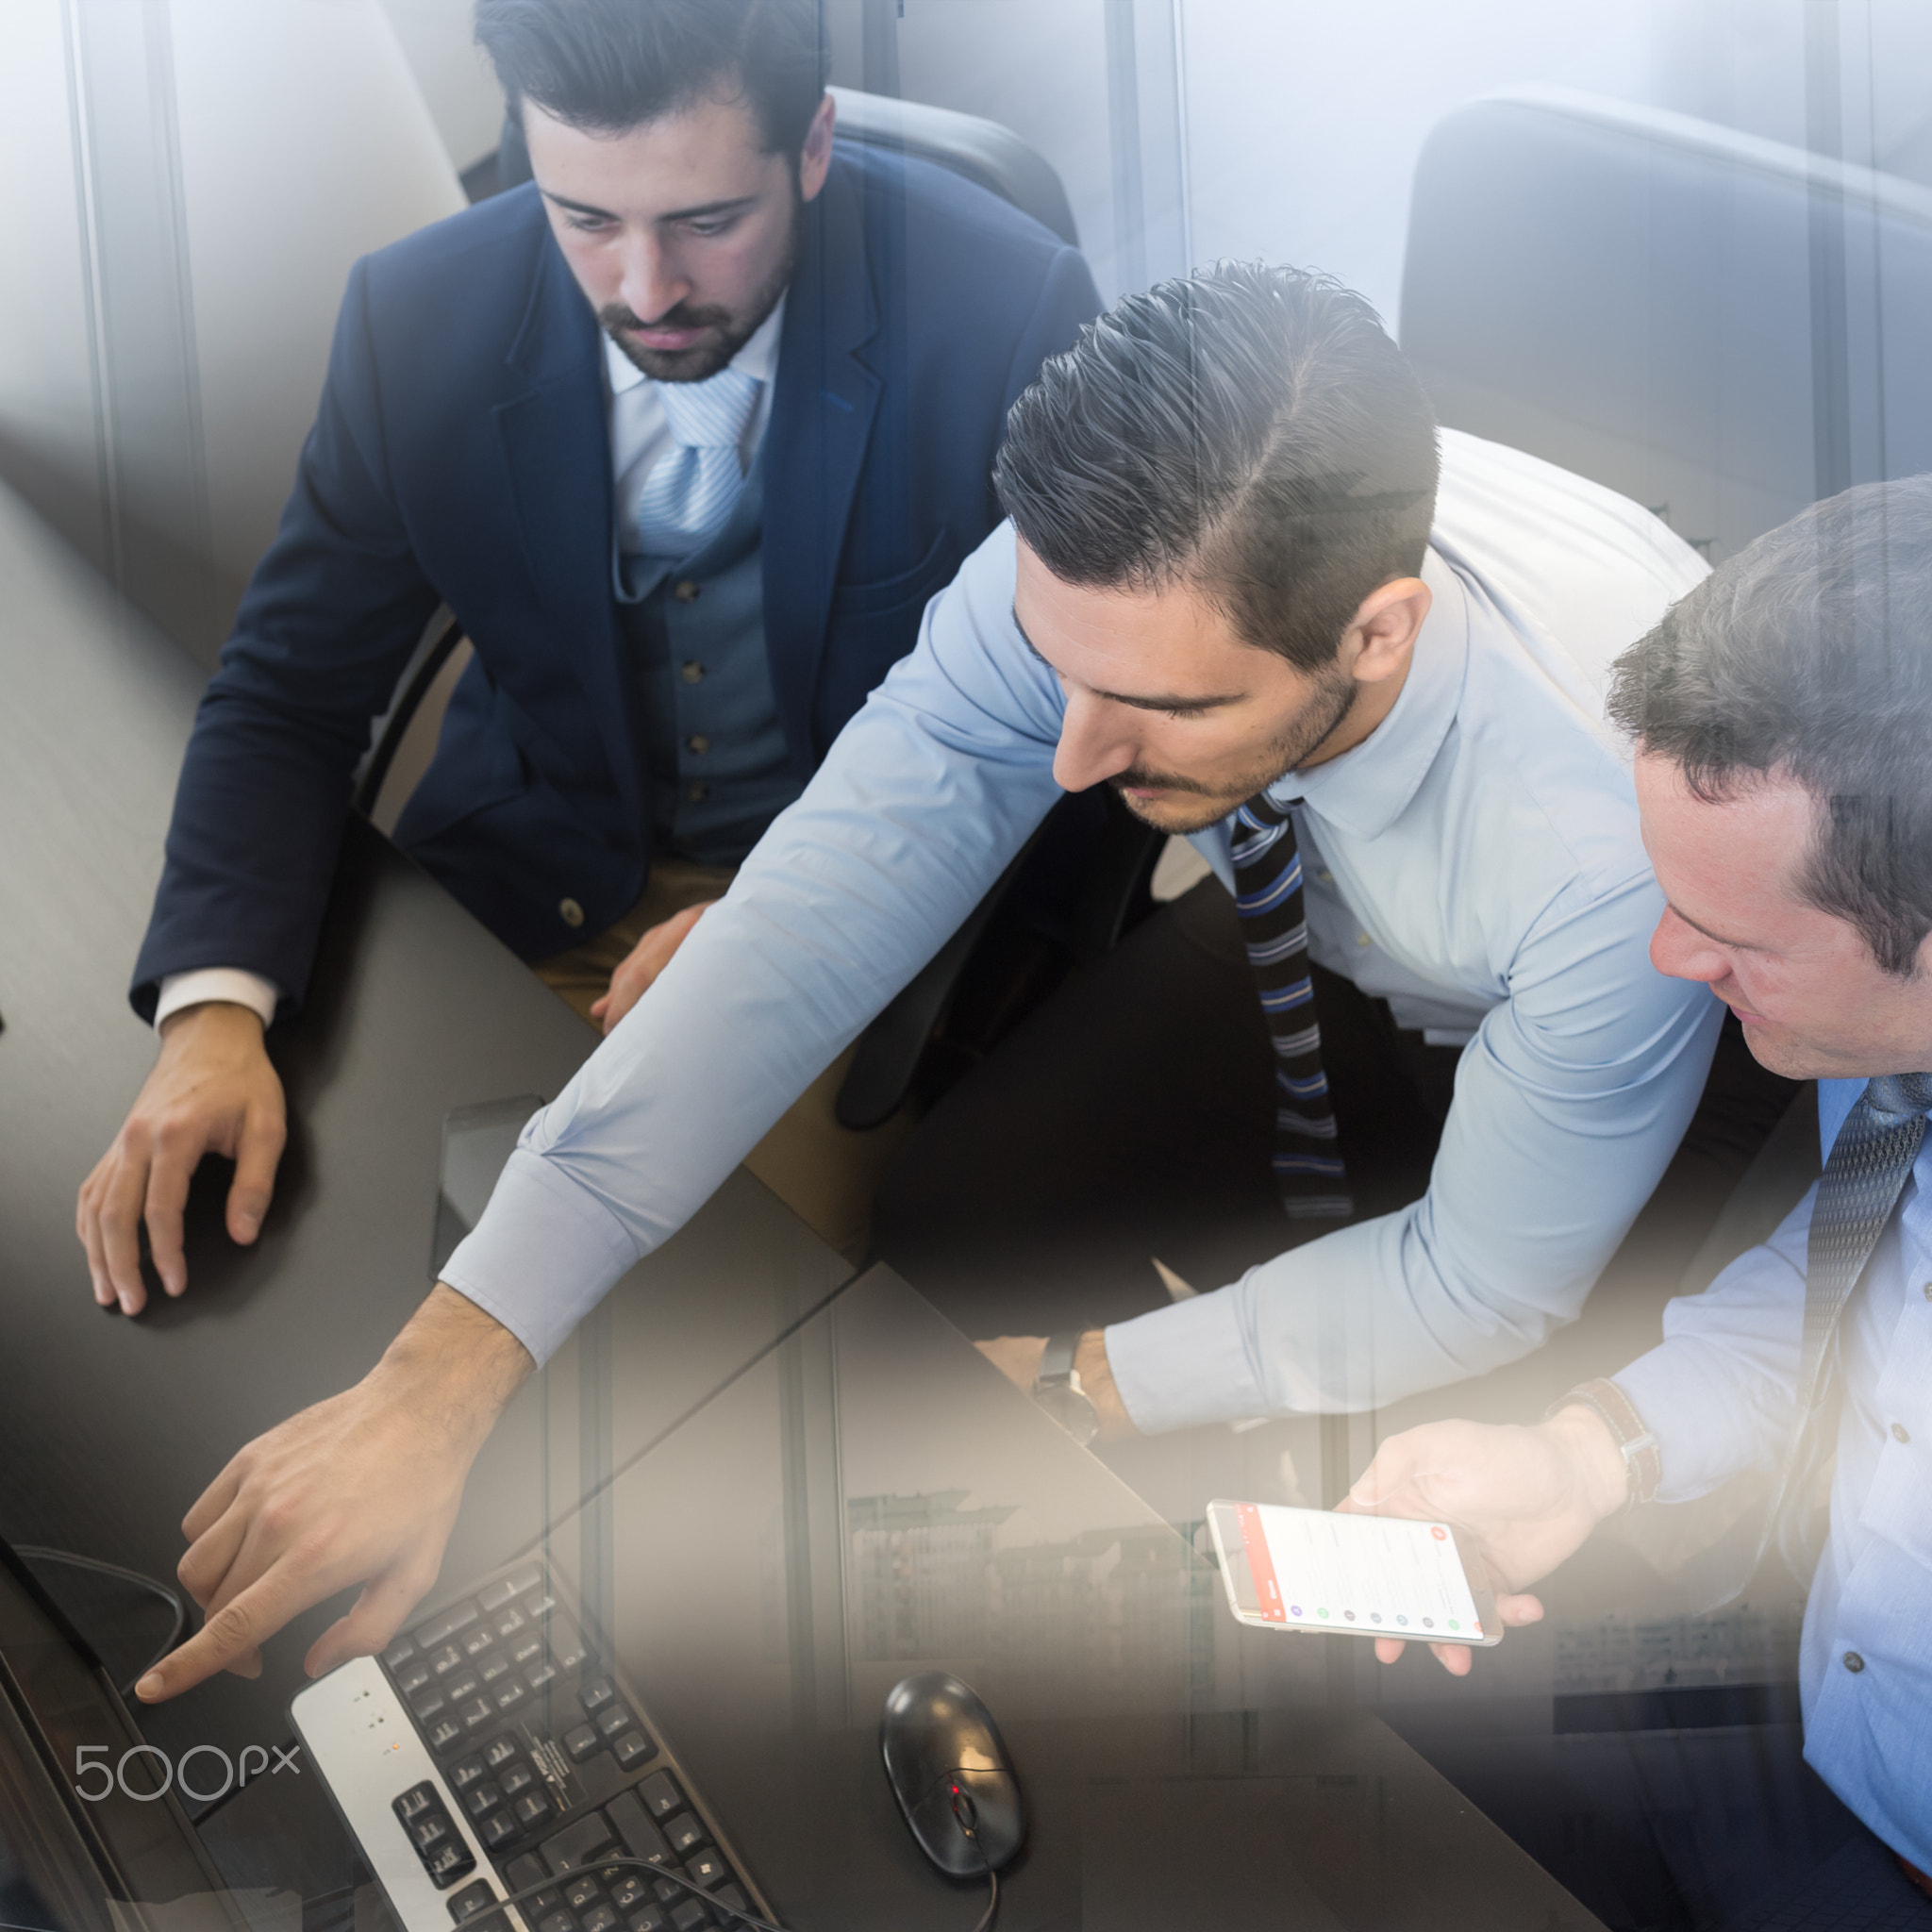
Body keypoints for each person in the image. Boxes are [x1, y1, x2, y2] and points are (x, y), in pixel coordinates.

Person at [134, 261, 1740, 1702]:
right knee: (949, 1218)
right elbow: (797, 930)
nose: (1073, 759)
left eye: (1160, 708)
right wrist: (439, 1377)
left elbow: (1481, 1279)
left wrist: (1085, 1381)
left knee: (1470, 1562)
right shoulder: (1110, 573)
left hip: (1613, 1013)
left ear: (1377, 635)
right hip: (1315, 912)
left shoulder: (1612, 850)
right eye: (1061, 671)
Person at [75, 0, 1099, 1311]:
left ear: (813, 147)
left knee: (693, 1322)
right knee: (313, 1265)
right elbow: (287, 689)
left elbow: (1068, 709)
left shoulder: (1009, 314)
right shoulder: (413, 318)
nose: (645, 290)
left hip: (853, 911)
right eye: (585, 219)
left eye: (706, 222)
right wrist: (212, 1012)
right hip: (521, 881)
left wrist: (782, 920)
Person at [1346, 477, 1932, 1916]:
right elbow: (1850, 1271)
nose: (1671, 957)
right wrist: (1588, 1451)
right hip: (1813, 1700)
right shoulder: (1880, 1049)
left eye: (1736, 935)